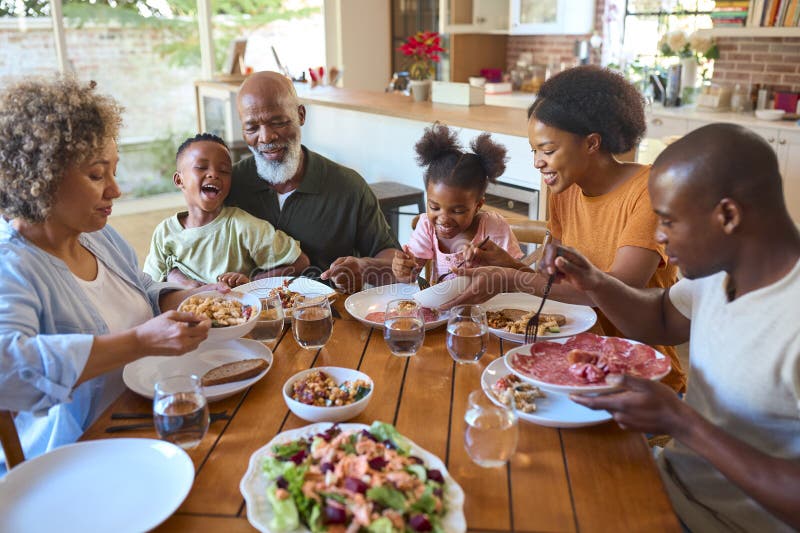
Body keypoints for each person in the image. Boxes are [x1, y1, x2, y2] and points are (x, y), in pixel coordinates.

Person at [542, 123, 800, 532]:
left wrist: (681, 423)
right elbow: (662, 318)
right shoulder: (718, 270)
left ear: (728, 215)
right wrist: (594, 281)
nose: (659, 237)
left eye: (668, 221)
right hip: (669, 485)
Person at [0, 76, 219, 470]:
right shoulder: (12, 264)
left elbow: (144, 288)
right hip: (80, 454)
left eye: (114, 171)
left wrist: (195, 297)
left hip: (147, 417)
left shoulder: (97, 236)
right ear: (41, 179)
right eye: (97, 175)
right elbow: (7, 367)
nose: (115, 190)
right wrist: (139, 341)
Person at [446, 65, 685, 392]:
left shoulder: (648, 191)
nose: (537, 163)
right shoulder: (566, 188)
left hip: (638, 377)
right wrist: (509, 265)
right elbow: (558, 280)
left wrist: (511, 279)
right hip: (573, 364)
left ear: (591, 143)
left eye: (547, 150)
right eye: (535, 151)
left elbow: (619, 288)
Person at [224, 71, 400, 292]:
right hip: (246, 319)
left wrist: (365, 267)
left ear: (301, 115)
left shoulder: (347, 187)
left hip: (328, 319)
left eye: (277, 122)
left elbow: (395, 264)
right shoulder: (230, 186)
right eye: (252, 128)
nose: (266, 137)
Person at [143, 133, 309, 288]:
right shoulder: (164, 232)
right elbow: (149, 286)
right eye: (201, 167)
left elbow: (301, 262)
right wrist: (178, 279)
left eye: (224, 171)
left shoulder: (243, 226)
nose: (214, 174)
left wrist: (251, 282)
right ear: (179, 180)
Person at [392, 123, 522, 283]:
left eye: (458, 211)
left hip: (487, 307)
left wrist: (496, 266)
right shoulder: (427, 226)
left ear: (478, 206)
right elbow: (410, 275)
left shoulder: (493, 227)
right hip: (440, 307)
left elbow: (518, 276)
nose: (444, 218)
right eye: (434, 207)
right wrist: (403, 270)